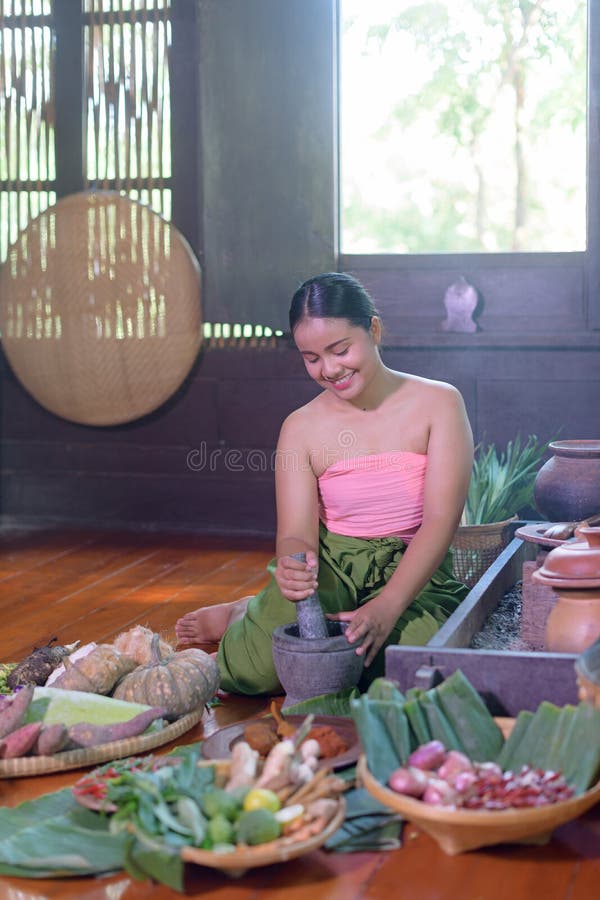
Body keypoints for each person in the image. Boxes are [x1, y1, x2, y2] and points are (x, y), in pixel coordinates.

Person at [175, 272, 474, 693]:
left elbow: (441, 520)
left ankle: (257, 609)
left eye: (340, 350)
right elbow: (297, 533)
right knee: (256, 671)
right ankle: (242, 615)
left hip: (413, 571)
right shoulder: (300, 427)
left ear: (372, 329)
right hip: (332, 570)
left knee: (406, 672)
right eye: (311, 357)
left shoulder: (439, 403)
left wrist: (388, 606)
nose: (329, 369)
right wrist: (295, 570)